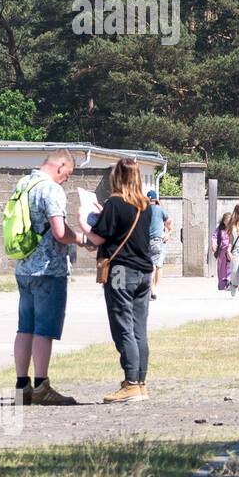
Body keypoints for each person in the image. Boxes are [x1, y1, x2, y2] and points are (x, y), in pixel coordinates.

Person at [9, 149, 82, 406]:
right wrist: (80, 239)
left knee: (24, 327)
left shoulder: (23, 184)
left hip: (24, 268)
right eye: (68, 174)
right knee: (44, 329)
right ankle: (41, 385)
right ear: (61, 165)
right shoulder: (51, 190)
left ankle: (22, 386)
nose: (66, 179)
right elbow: (60, 232)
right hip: (49, 269)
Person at [83, 158, 156, 404]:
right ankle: (141, 382)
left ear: (117, 176)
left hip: (121, 272)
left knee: (122, 326)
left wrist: (84, 221)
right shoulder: (145, 205)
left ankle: (131, 383)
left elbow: (99, 238)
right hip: (145, 272)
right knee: (139, 328)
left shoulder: (114, 202)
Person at [146, 190, 171, 300]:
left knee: (151, 265)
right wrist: (167, 233)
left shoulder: (143, 210)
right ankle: (154, 288)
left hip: (145, 241)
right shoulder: (161, 210)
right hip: (158, 241)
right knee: (157, 265)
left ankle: (152, 288)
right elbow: (169, 222)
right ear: (156, 199)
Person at [212, 212, 232, 289]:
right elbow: (214, 236)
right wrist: (214, 244)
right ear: (223, 221)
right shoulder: (220, 228)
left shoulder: (233, 228)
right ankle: (222, 284)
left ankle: (229, 282)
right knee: (221, 268)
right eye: (227, 220)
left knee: (230, 266)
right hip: (222, 251)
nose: (228, 222)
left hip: (231, 250)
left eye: (230, 221)